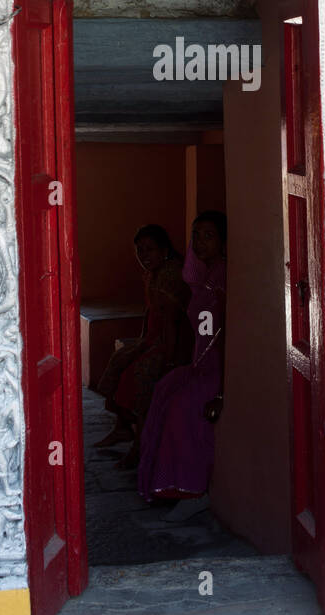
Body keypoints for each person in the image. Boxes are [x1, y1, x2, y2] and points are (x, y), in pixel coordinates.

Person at [138, 210, 227, 503]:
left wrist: (221, 393)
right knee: (162, 392)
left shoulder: (223, 278)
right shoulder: (203, 278)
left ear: (223, 241)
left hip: (216, 370)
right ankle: (164, 484)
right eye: (196, 235)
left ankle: (189, 488)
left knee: (180, 408)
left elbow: (225, 335)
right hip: (199, 364)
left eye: (209, 236)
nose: (200, 242)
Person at [94, 224, 192, 466]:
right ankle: (122, 427)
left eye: (150, 249)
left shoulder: (170, 275)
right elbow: (151, 312)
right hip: (154, 337)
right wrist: (141, 341)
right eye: (140, 250)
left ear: (164, 250)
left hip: (174, 341)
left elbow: (171, 321)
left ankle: (140, 445)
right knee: (118, 360)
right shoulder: (153, 273)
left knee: (139, 374)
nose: (144, 255)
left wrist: (169, 360)